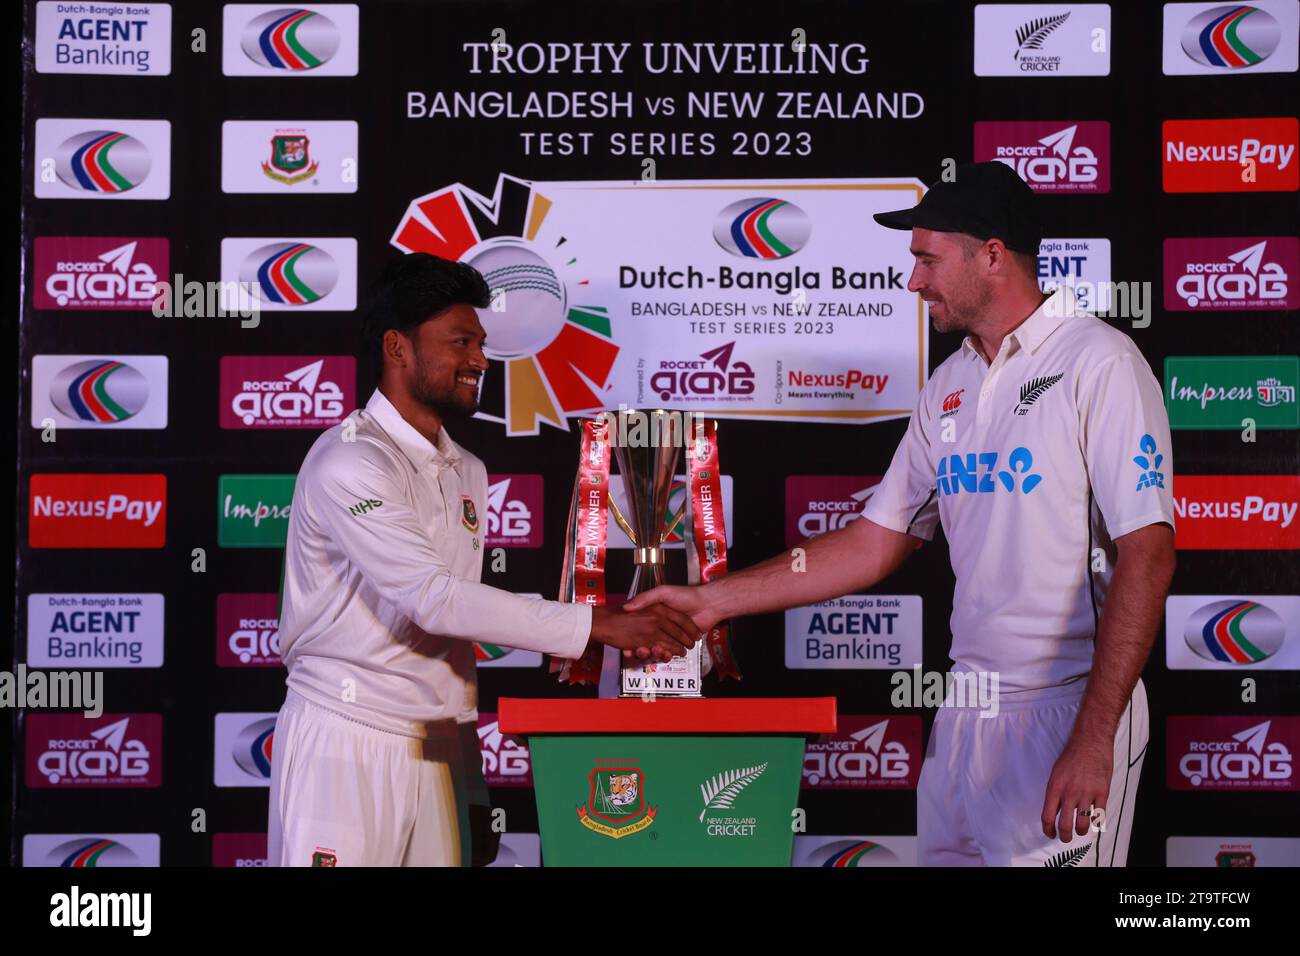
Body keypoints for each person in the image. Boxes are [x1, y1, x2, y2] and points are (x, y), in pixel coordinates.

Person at [628, 162, 1176, 867]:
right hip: (964, 716)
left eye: (926, 258)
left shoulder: (1098, 361)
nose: (913, 280)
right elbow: (873, 541)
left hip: (1068, 709)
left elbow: (1148, 550)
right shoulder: (949, 384)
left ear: (991, 255)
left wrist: (1095, 734)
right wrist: (708, 602)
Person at [267, 253, 698, 867]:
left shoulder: (467, 468)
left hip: (438, 749)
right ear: (398, 348)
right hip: (344, 740)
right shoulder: (349, 461)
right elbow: (434, 599)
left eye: (480, 343)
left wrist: (468, 777)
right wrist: (597, 624)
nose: (479, 360)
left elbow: (451, 636)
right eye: (460, 342)